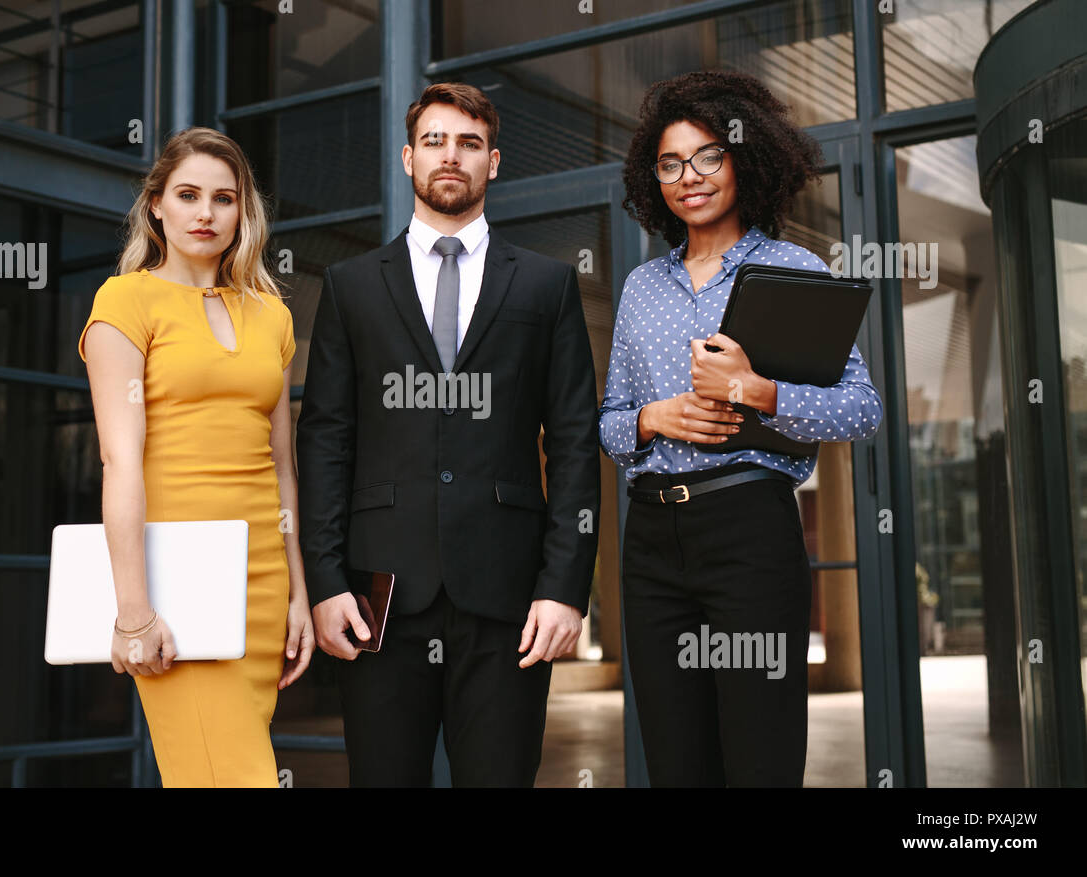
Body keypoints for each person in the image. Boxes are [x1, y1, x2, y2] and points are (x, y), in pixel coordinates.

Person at [296, 82, 600, 787]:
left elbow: (576, 441)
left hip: (509, 600)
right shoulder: (350, 286)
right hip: (379, 598)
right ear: (408, 159)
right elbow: (326, 440)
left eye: (469, 142)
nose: (451, 156)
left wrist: (564, 587)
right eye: (434, 141)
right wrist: (325, 580)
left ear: (494, 161)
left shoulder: (548, 286)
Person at [599, 71, 883, 786]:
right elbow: (606, 423)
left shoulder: (794, 269)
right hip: (653, 541)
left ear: (743, 159)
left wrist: (759, 391)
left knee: (760, 752)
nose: (687, 177)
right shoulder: (639, 287)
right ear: (650, 177)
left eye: (707, 157)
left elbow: (862, 408)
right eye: (669, 163)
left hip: (750, 530)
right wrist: (649, 418)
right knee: (676, 760)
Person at [78, 127, 314, 787]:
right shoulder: (125, 302)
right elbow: (119, 462)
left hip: (262, 581)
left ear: (244, 212)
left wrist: (297, 590)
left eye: (224, 198)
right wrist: (133, 612)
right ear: (156, 205)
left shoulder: (271, 316)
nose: (206, 213)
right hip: (174, 584)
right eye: (187, 195)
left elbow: (282, 467)